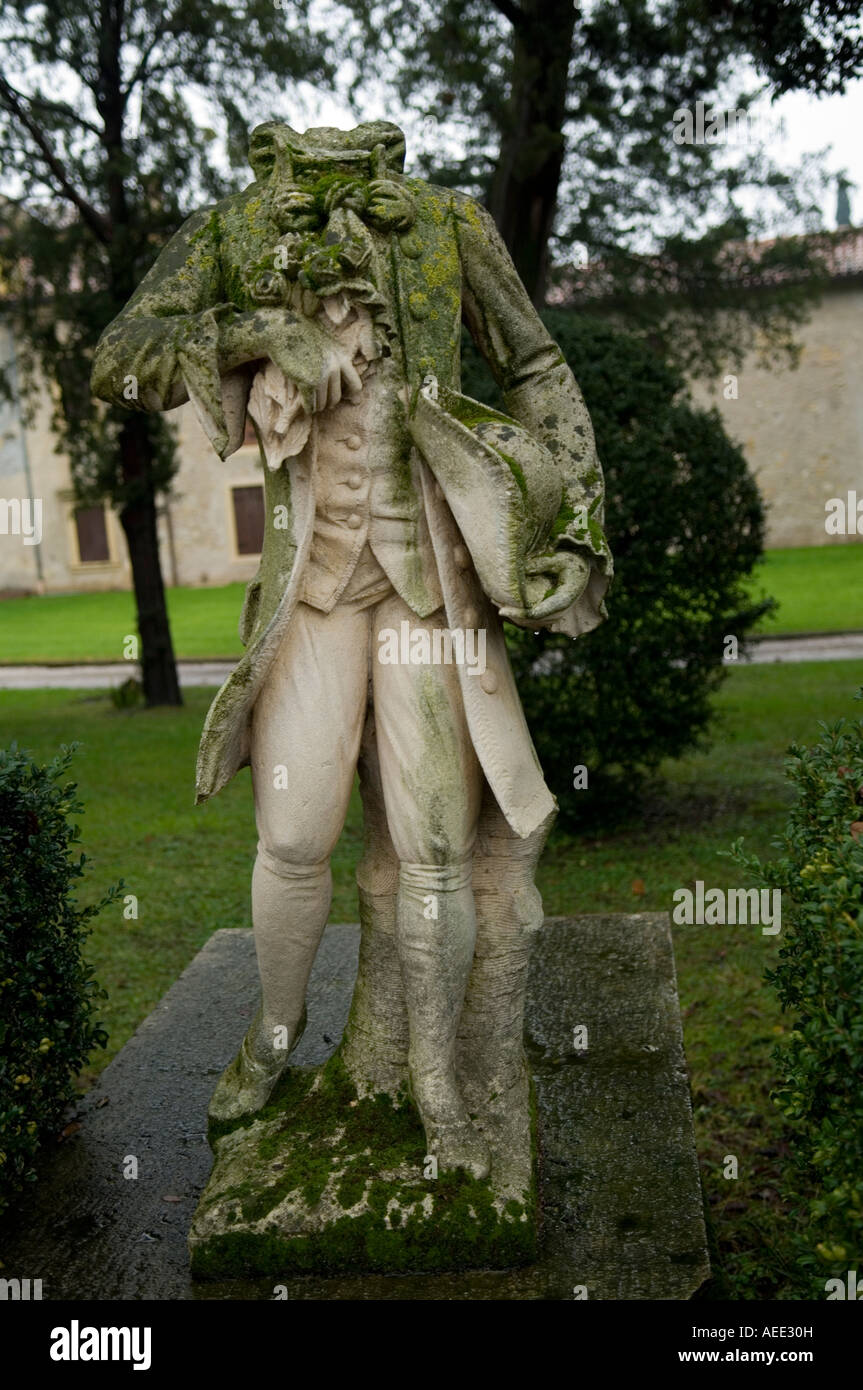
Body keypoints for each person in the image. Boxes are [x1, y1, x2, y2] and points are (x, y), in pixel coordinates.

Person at [91, 120, 612, 1178]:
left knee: (433, 852)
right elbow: (117, 358)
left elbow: (535, 361)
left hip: (424, 586)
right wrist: (250, 334)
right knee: (291, 834)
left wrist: (571, 521)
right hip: (313, 590)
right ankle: (273, 1040)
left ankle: (436, 1085)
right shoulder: (235, 230)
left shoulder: (446, 221)